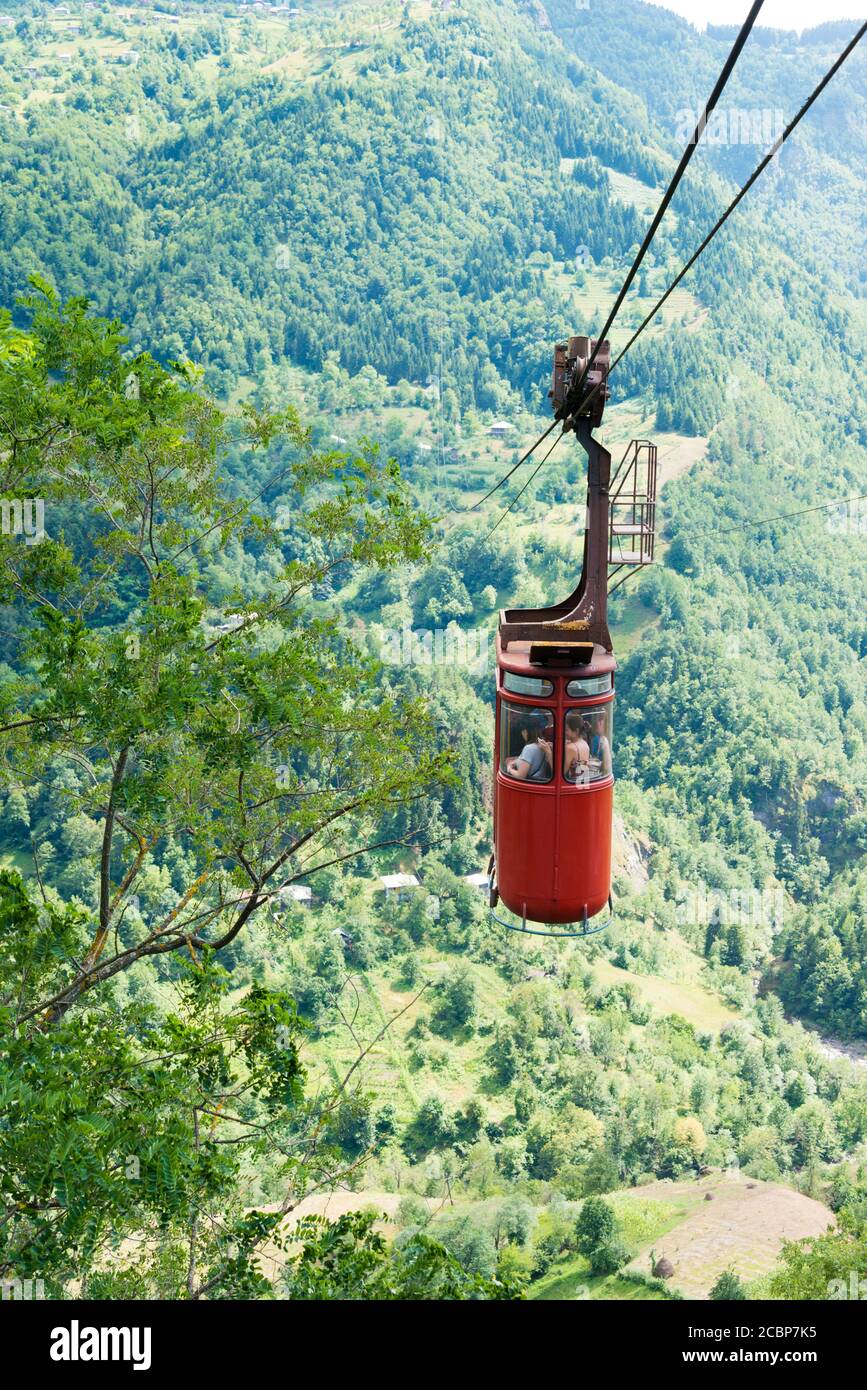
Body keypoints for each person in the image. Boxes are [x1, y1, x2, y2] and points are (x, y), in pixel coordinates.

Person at [506, 711, 552, 782]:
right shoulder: (542, 745)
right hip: (538, 783)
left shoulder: (529, 748)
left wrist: (509, 768)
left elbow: (521, 776)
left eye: (522, 731)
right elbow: (532, 760)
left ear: (526, 731)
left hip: (529, 785)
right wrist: (516, 760)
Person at [564, 710, 590, 782]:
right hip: (582, 784)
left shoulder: (570, 748)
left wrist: (548, 752)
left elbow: (560, 772)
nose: (564, 732)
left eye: (566, 730)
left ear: (576, 731)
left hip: (572, 785)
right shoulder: (585, 744)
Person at [589, 711, 612, 778]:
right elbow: (606, 768)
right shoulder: (599, 739)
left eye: (600, 721)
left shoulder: (602, 741)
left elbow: (606, 767)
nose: (598, 723)